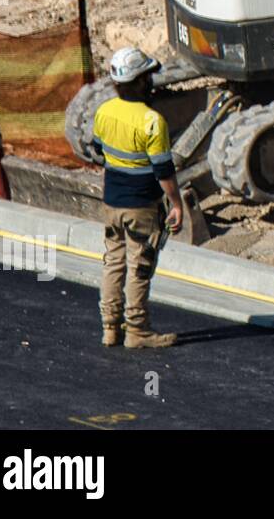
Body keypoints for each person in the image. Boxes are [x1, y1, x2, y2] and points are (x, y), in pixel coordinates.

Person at [91, 47, 184, 348]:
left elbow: (97, 152)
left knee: (113, 262)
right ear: (140, 81)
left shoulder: (104, 111)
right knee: (140, 265)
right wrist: (178, 205)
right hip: (141, 206)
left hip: (111, 203)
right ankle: (137, 329)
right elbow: (164, 171)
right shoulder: (152, 122)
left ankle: (109, 327)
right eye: (147, 77)